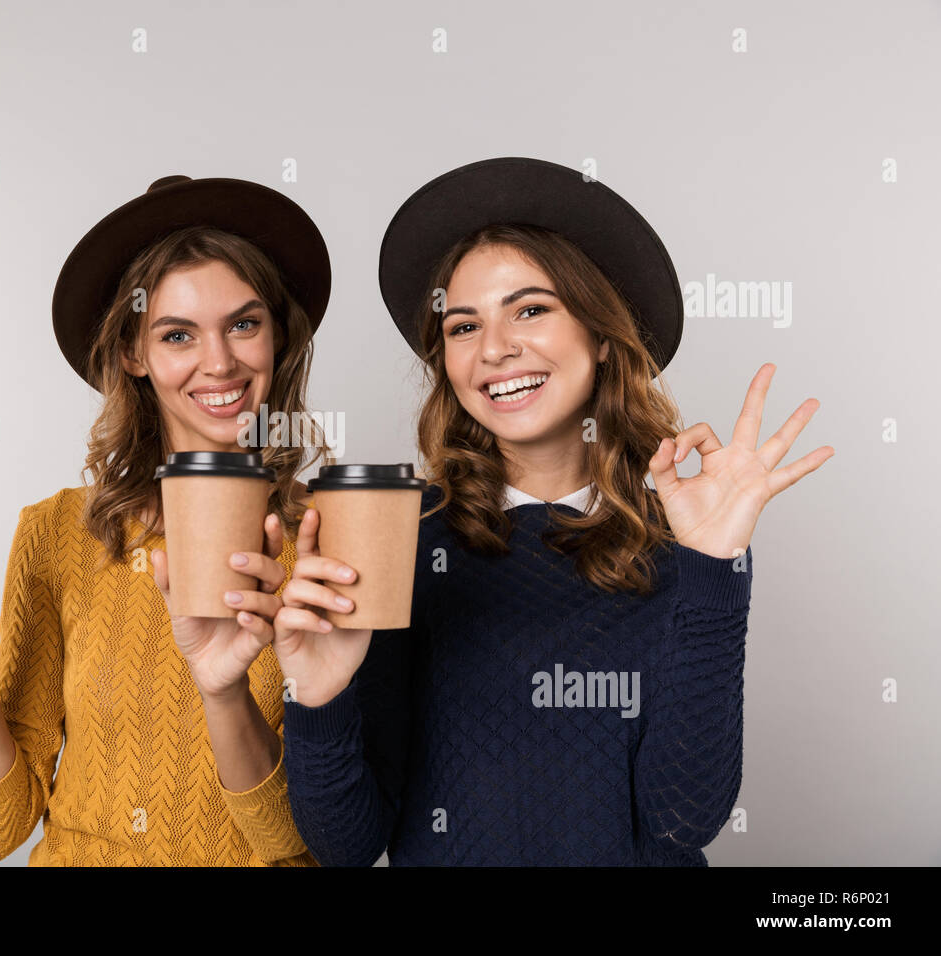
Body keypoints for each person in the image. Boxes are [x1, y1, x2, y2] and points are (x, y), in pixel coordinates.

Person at [272, 157, 834, 866]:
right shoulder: (398, 538)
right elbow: (347, 846)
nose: (497, 349)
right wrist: (318, 698)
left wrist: (713, 568)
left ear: (601, 335)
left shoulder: (684, 539)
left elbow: (683, 820)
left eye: (531, 309)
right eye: (463, 326)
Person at [0, 174, 333, 865]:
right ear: (132, 354)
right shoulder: (58, 534)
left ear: (276, 336)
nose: (220, 361)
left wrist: (225, 695)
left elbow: (299, 839)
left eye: (243, 323)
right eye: (178, 334)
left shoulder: (333, 541)